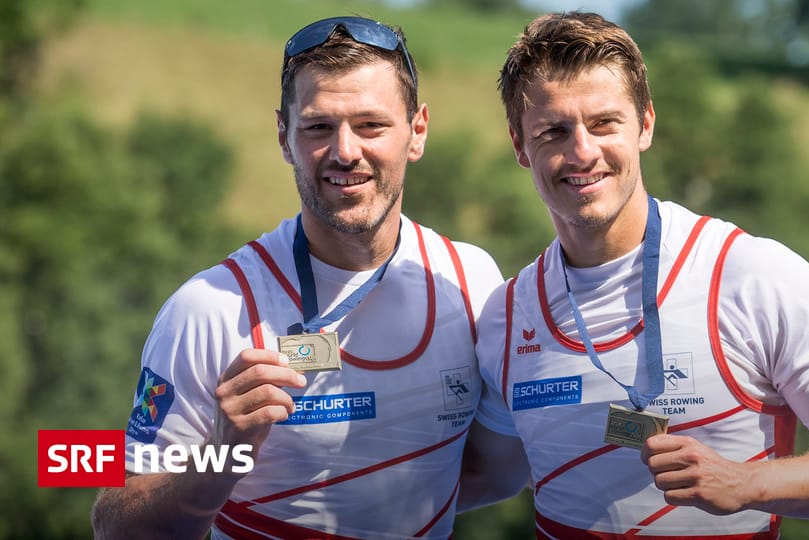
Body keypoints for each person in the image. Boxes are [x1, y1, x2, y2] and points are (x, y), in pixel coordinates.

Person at [460, 11, 809, 538]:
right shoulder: (506, 313)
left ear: (646, 124)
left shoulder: (750, 274)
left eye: (604, 123)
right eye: (554, 131)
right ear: (521, 146)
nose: (583, 150)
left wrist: (750, 483)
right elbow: (491, 474)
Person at [91, 15, 504, 539]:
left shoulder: (472, 281)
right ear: (284, 136)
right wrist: (223, 457)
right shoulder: (205, 308)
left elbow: (498, 470)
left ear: (417, 132)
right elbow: (111, 523)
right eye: (318, 127)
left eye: (371, 125)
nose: (345, 151)